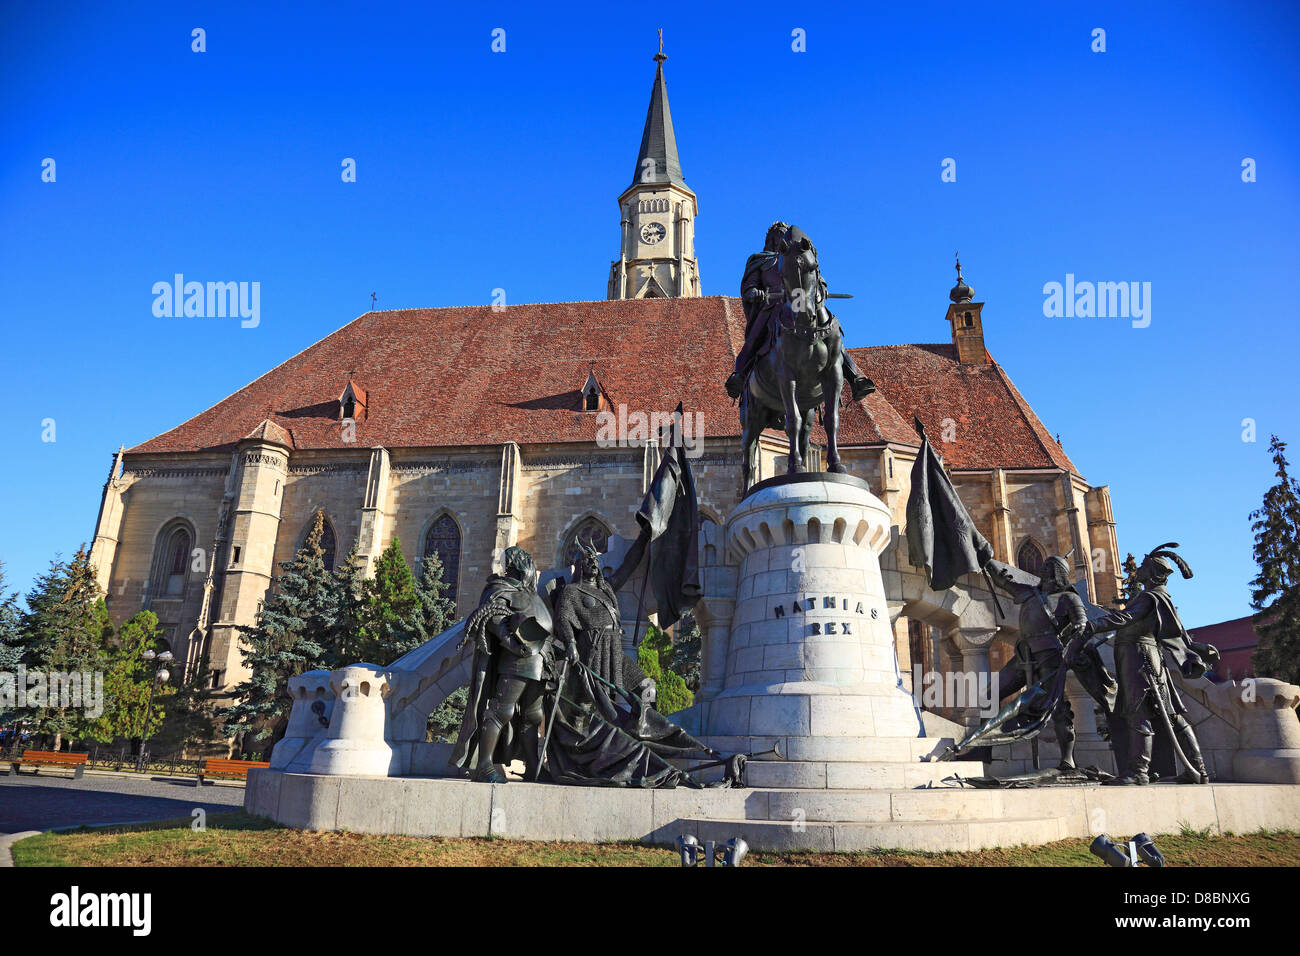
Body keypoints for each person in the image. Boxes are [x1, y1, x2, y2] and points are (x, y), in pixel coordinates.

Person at [1088, 543, 1217, 785]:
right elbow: (1179, 632)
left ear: (1153, 573)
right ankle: (1198, 769)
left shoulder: (1148, 597)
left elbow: (1125, 617)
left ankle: (1139, 771)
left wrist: (1092, 625)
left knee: (1138, 712)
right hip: (1149, 659)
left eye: (1145, 568)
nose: (1139, 571)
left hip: (1139, 659)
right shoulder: (1161, 597)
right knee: (1172, 715)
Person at [724, 222, 874, 402]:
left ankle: (855, 379)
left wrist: (822, 288)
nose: (784, 237)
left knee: (831, 331)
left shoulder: (795, 257)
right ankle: (738, 376)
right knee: (754, 340)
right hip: (771, 308)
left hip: (799, 305)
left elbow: (815, 275)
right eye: (780, 234)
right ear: (771, 239)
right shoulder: (760, 261)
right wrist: (761, 294)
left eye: (786, 234)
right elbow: (749, 289)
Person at [450, 546, 556, 783]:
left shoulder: (531, 593)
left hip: (540, 662)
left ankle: (532, 767)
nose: (532, 566)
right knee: (501, 710)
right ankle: (483, 765)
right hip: (517, 659)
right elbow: (493, 618)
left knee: (533, 715)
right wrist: (513, 644)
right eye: (527, 561)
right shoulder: (500, 587)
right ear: (519, 566)